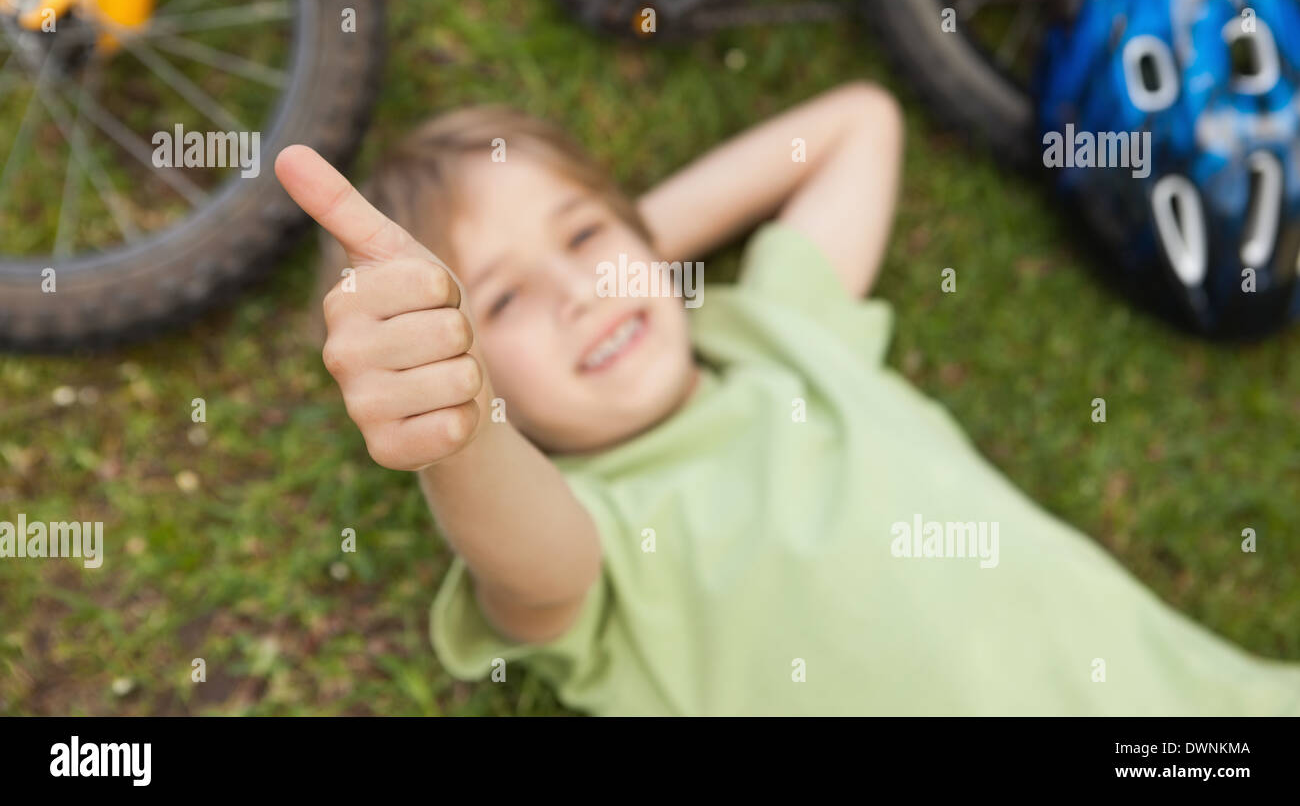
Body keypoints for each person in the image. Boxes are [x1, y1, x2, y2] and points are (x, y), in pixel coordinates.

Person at [274, 82, 1300, 715]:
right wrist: (463, 416)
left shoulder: (774, 331)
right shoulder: (595, 531)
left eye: (583, 235)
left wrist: (626, 262)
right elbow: (521, 545)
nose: (571, 290)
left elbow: (856, 123)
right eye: (500, 300)